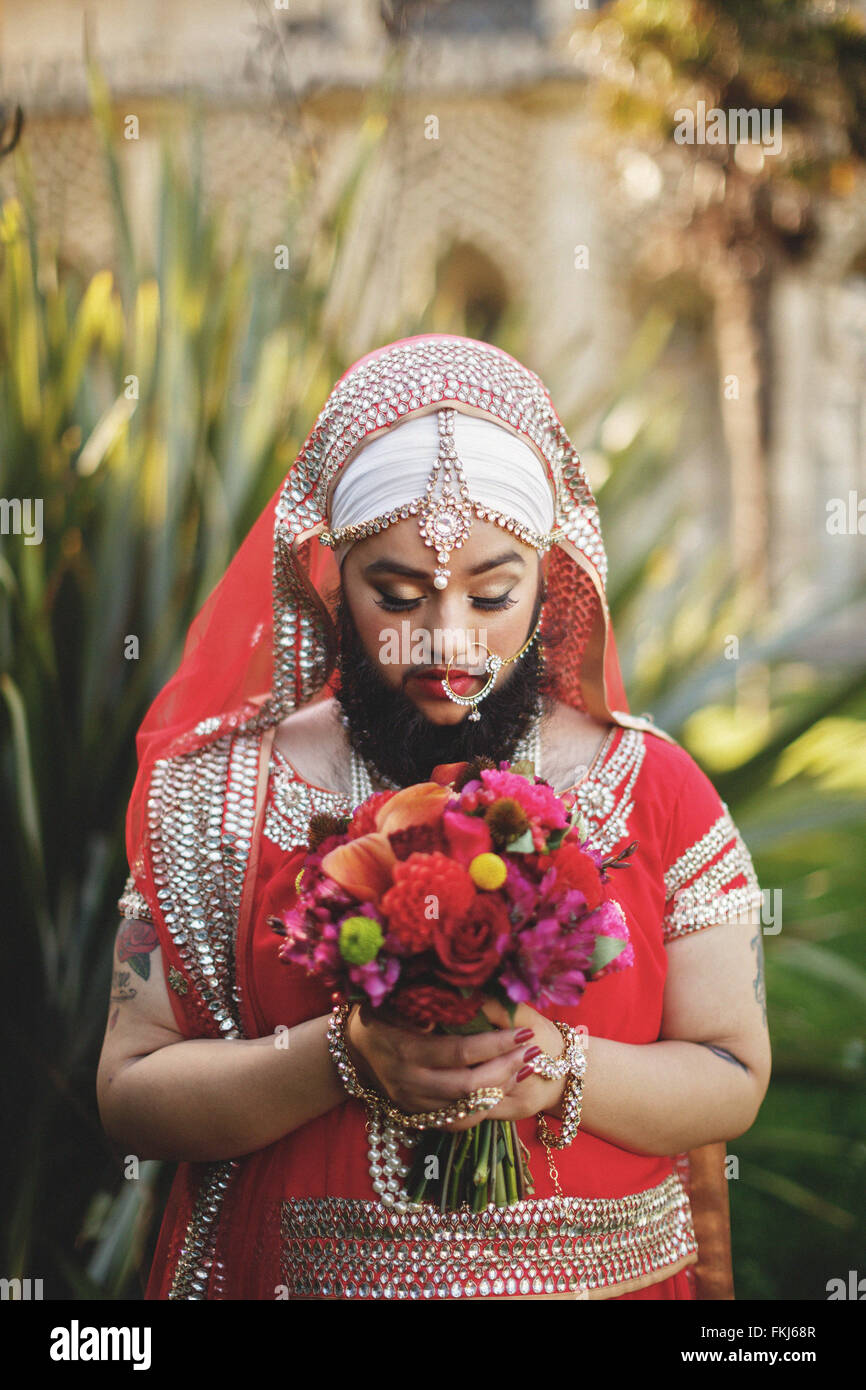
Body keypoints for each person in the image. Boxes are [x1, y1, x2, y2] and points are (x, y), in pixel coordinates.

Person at [96, 334, 771, 1301]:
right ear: (332, 575)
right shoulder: (215, 795)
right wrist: (343, 1058)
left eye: (493, 594)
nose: (447, 640)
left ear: (551, 580)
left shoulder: (650, 786)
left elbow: (732, 1072)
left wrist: (554, 1065)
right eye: (396, 593)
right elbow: (130, 1094)